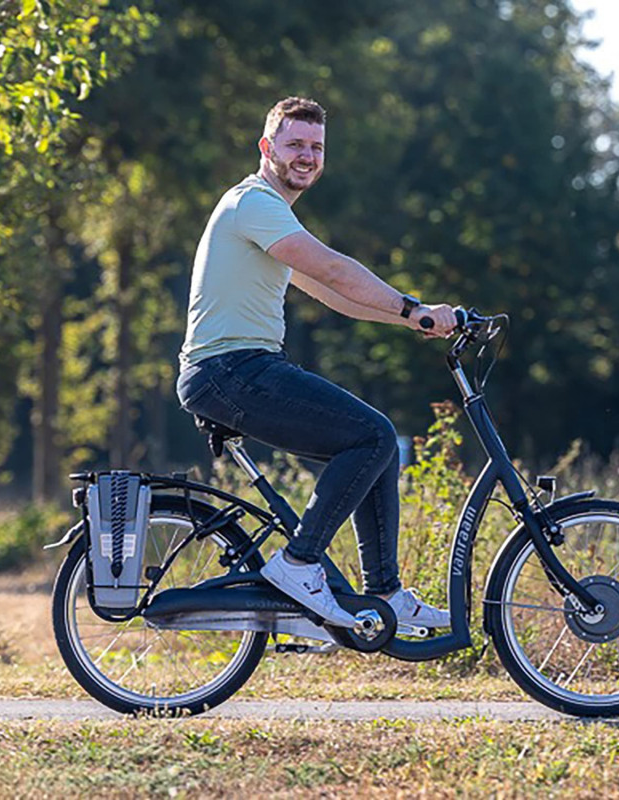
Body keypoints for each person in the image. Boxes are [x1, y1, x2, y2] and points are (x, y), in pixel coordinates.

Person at [176, 96, 458, 629]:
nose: (307, 156)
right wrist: (414, 306)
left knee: (373, 444)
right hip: (229, 370)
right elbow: (332, 269)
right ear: (267, 148)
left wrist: (414, 321)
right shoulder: (254, 203)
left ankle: (385, 594)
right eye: (295, 144)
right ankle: (299, 563)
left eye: (316, 147)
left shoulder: (271, 216)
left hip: (236, 371)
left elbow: (335, 297)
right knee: (373, 437)